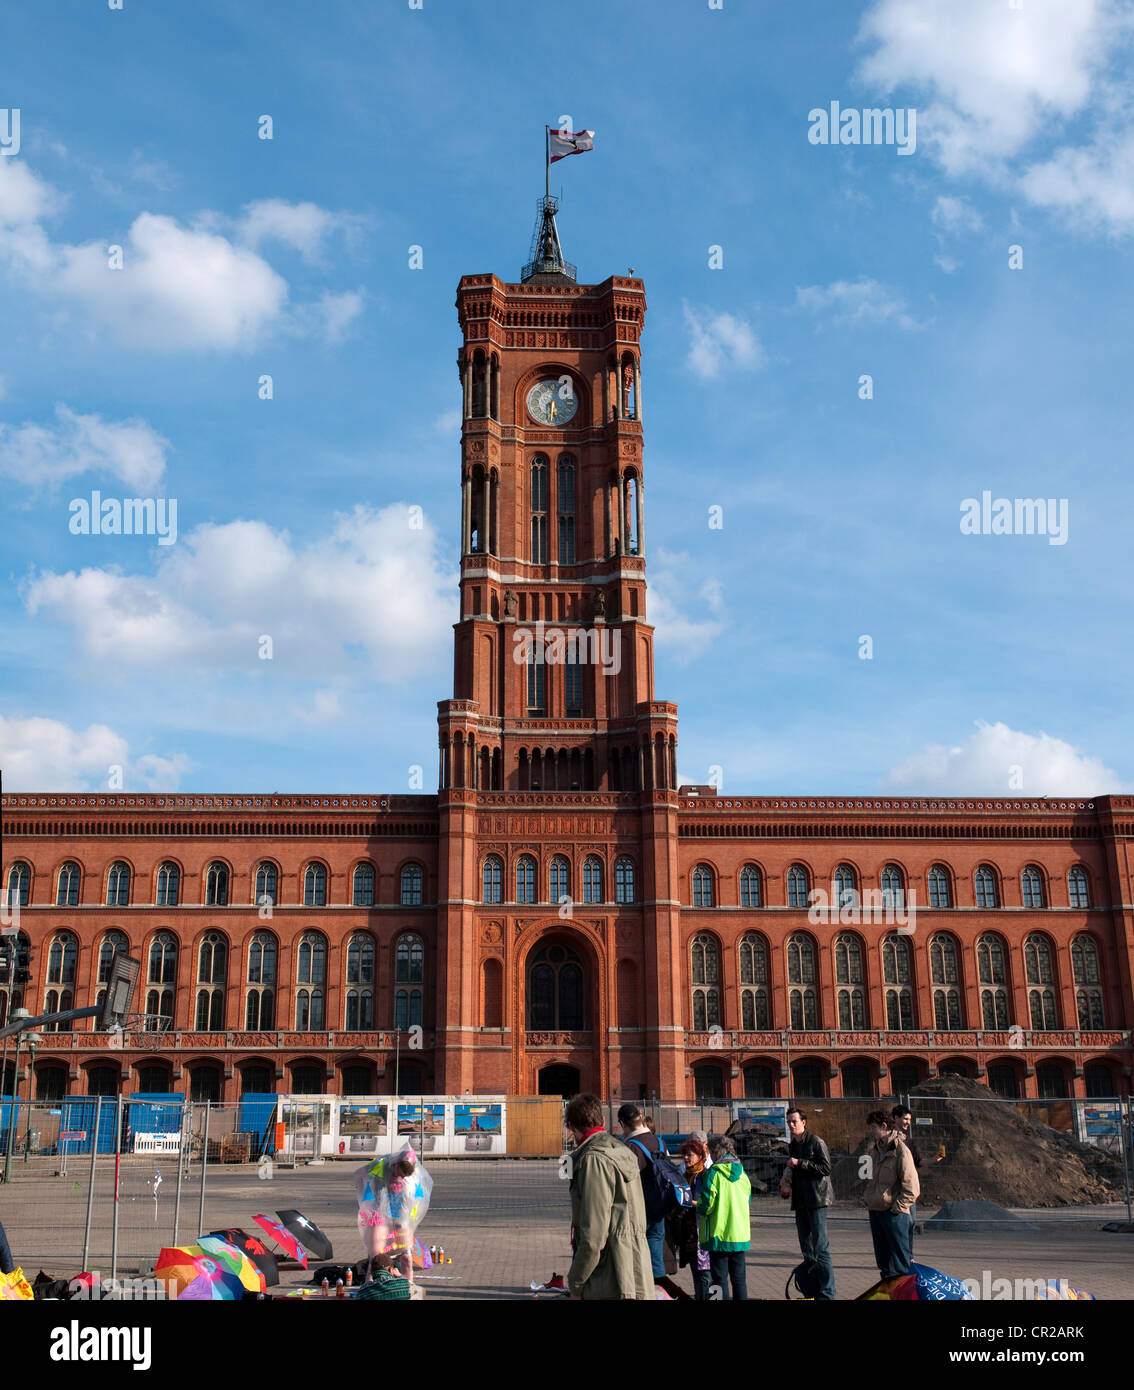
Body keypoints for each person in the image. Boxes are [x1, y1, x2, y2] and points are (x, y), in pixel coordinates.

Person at [564, 1093, 654, 1300]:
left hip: (608, 1278)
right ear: (603, 1121)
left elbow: (594, 1236)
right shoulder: (622, 1151)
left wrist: (575, 1283)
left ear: (570, 1127)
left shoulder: (594, 1160)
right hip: (633, 1269)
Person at [354, 1139, 433, 1285]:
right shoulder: (382, 1165)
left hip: (401, 1218)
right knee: (375, 1259)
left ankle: (408, 1287)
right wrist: (366, 1201)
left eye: (405, 1176)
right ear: (395, 1165)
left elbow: (421, 1193)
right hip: (381, 1217)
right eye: (401, 1174)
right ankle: (369, 1287)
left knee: (407, 1258)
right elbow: (359, 1174)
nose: (402, 1178)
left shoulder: (412, 1171)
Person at [786, 1105, 836, 1300]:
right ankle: (812, 1290)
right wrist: (787, 1176)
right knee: (806, 1248)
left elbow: (826, 1168)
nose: (791, 1125)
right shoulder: (793, 1144)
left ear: (803, 1123)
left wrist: (800, 1163)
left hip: (817, 1199)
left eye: (794, 1121)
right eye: (789, 1121)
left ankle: (827, 1293)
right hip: (800, 1200)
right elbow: (793, 1167)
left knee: (821, 1247)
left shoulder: (815, 1142)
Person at [863, 1110, 919, 1280]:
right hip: (876, 1212)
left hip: (894, 1215)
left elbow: (912, 1187)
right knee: (884, 1264)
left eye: (874, 1127)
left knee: (899, 1266)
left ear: (884, 1126)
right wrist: (869, 1198)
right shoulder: (875, 1151)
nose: (872, 1131)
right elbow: (872, 1180)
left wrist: (897, 1208)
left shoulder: (901, 1151)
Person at [617, 1103, 668, 1283]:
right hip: (660, 1206)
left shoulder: (631, 1147)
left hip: (639, 1209)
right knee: (656, 1252)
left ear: (623, 1124)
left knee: (634, 1255)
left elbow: (625, 1180)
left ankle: (640, 1289)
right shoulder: (659, 1142)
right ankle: (660, 1289)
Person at [698, 1134, 751, 1300]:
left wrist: (697, 1205)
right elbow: (747, 1200)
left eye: (710, 1153)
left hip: (718, 1235)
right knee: (739, 1279)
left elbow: (707, 1206)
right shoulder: (743, 1174)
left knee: (719, 1280)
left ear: (715, 1152)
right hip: (739, 1234)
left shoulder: (713, 1173)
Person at [890, 1104, 941, 1253]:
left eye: (909, 1119)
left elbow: (918, 1162)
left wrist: (934, 1159)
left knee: (910, 1223)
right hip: (894, 1190)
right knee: (896, 1225)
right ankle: (896, 1256)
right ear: (896, 1118)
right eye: (905, 1119)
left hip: (908, 1190)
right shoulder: (888, 1141)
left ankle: (909, 1255)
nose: (908, 1122)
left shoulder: (909, 1142)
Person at [674, 1137, 713, 1299]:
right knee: (697, 1275)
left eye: (690, 1155)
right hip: (688, 1234)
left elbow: (709, 1204)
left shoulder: (705, 1177)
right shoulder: (684, 1176)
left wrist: (691, 1202)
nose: (686, 1158)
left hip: (702, 1233)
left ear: (700, 1157)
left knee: (707, 1276)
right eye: (684, 1155)